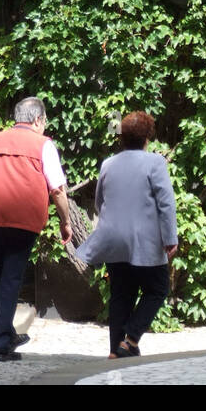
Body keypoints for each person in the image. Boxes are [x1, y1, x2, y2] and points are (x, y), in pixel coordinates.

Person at [0, 96, 72, 361]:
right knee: (11, 278)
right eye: (44, 121)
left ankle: (8, 333)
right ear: (37, 120)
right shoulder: (43, 145)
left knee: (4, 275)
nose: (45, 126)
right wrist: (65, 221)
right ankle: (1, 345)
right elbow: (58, 190)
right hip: (23, 221)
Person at [76, 111, 178, 359]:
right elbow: (166, 204)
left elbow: (100, 201)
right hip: (144, 241)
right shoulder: (155, 163)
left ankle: (115, 350)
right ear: (147, 137)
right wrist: (170, 237)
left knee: (121, 293)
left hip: (113, 239)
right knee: (158, 289)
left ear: (122, 137)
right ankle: (130, 339)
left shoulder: (108, 164)